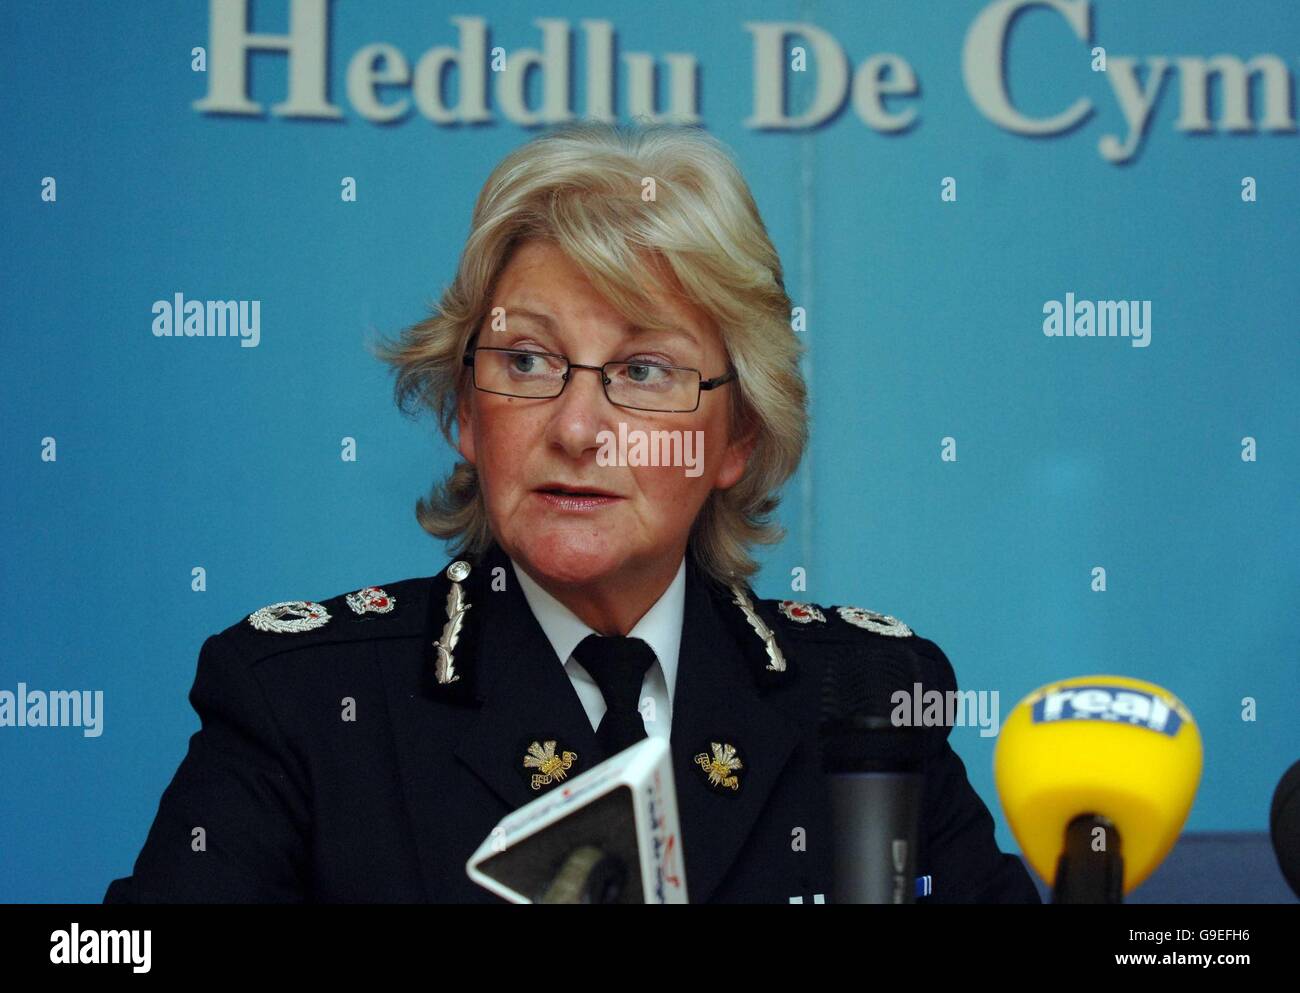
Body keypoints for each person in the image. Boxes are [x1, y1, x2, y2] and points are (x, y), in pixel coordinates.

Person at [104, 121, 1040, 904]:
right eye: (526, 362)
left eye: (643, 371)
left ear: (737, 438)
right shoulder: (306, 703)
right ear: (467, 412)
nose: (579, 426)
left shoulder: (866, 698)